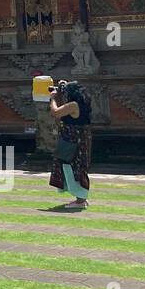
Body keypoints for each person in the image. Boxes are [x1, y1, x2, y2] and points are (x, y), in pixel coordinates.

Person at [48, 79, 93, 211]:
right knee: (74, 166)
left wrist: (53, 98)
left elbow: (55, 112)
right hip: (76, 138)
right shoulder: (83, 102)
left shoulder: (73, 105)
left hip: (73, 140)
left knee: (74, 167)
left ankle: (80, 200)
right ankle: (81, 198)